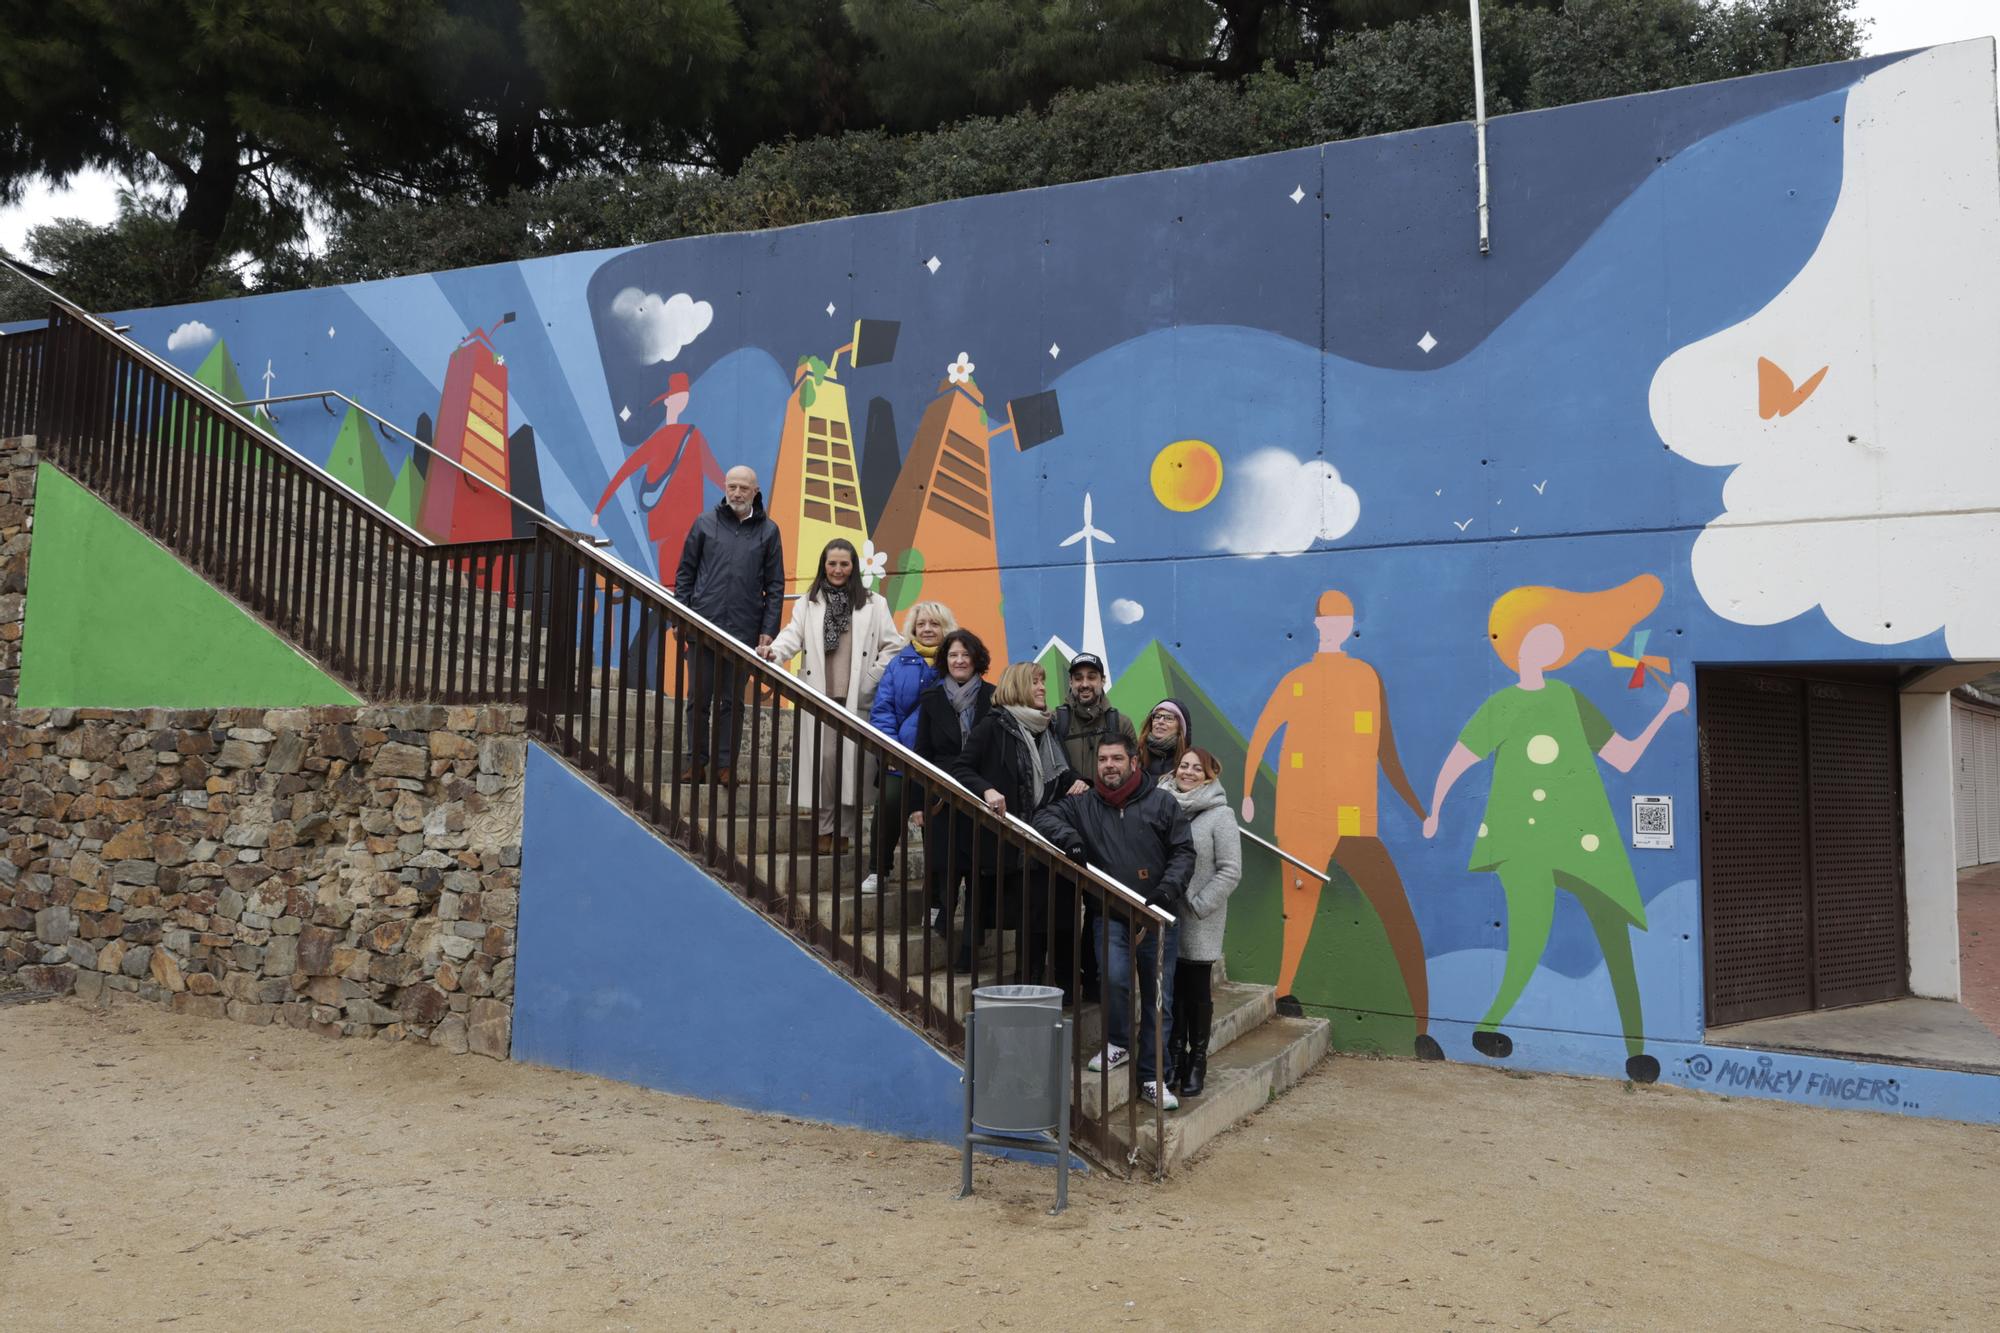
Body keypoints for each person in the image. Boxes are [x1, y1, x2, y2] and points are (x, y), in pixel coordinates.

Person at [1422, 574, 1688, 1085]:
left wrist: (1667, 711)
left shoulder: (1570, 698)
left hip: (1584, 835)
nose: (1552, 645)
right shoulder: (1501, 704)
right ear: (1518, 643)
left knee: (1616, 932)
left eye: (1554, 639)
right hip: (1521, 838)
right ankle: (1488, 1027)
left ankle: (1637, 1051)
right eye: (1541, 636)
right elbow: (1458, 759)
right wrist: (1435, 809)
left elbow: (1625, 756)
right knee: (1529, 932)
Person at [1242, 589, 1434, 1053]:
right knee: (1298, 909)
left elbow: (1386, 750)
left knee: (1395, 908)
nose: (1335, 624)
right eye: (1328, 617)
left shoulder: (1366, 677)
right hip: (1300, 812)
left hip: (1356, 816)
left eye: (1343, 617)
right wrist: (1247, 795)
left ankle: (1423, 1028)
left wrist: (1418, 809)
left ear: (1350, 624)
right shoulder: (1297, 679)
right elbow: (1263, 733)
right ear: (1316, 622)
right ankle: (1283, 990)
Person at [1034, 731, 1195, 1110]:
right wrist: (1071, 839)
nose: (1109, 766)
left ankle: (1153, 1076)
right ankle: (1119, 1042)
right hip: (1111, 913)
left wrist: (1167, 891)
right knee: (1114, 978)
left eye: (1117, 759)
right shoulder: (1084, 804)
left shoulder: (1162, 802)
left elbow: (1184, 852)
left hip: (1157, 914)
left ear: (1133, 763)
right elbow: (1044, 816)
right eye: (1103, 760)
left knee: (1159, 1000)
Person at [761, 539, 904, 852]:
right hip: (819, 697)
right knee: (825, 764)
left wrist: (871, 678)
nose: (838, 570)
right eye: (832, 564)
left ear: (854, 566)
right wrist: (773, 652)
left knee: (850, 767)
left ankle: (842, 833)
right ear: (823, 566)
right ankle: (828, 829)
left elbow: (893, 645)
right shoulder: (808, 602)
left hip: (856, 698)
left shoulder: (873, 603)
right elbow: (791, 636)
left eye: (844, 564)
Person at [949, 662, 1082, 975]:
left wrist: (1078, 780)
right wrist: (988, 790)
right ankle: (1025, 986)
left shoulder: (1046, 727)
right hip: (1011, 843)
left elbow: (1060, 771)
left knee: (1041, 920)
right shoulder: (995, 725)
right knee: (1027, 918)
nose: (1042, 689)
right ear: (1018, 686)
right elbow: (961, 768)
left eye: (1043, 683)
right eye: (1035, 682)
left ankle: (1037, 984)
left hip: (1044, 838)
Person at [671, 465, 785, 785]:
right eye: (731, 486)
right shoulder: (704, 523)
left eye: (743, 488)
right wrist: (681, 616)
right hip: (702, 626)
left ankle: (724, 766)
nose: (736, 493)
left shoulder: (769, 531)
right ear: (725, 488)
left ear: (755, 492)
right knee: (698, 699)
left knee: (732, 703)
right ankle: (696, 763)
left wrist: (768, 628)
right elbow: (685, 574)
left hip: (743, 631)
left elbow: (775, 585)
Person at [1163, 747, 1242, 1099]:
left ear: (1210, 776)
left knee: (1195, 991)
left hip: (1199, 916)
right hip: (1166, 913)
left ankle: (1197, 1062)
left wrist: (1198, 904)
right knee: (1173, 992)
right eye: (1184, 766)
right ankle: (1175, 1057)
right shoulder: (1161, 804)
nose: (1189, 772)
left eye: (1197, 768)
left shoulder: (1221, 815)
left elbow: (1230, 870)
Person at [864, 601, 957, 893]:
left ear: (945, 628)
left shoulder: (955, 661)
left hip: (938, 761)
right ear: (913, 629)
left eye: (934, 624)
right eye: (921, 624)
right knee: (889, 803)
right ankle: (879, 870)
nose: (927, 629)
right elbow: (883, 710)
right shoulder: (897, 663)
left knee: (939, 818)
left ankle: (936, 892)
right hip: (901, 759)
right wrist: (892, 752)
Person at [592, 371, 723, 579]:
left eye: (684, 396)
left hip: (684, 524)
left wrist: (749, 500)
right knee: (673, 582)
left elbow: (716, 474)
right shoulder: (668, 439)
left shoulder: (692, 435)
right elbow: (625, 471)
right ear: (669, 401)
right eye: (679, 396)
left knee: (681, 580)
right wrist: (599, 509)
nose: (683, 400)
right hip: (669, 526)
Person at [1050, 652, 1126, 999]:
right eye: (1078, 677)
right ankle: (1065, 982)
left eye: (1091, 677)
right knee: (1065, 906)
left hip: (1108, 825)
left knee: (1099, 907)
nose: (1084, 684)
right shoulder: (1056, 720)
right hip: (1066, 825)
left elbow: (1128, 772)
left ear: (1102, 681)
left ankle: (1094, 980)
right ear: (1070, 682)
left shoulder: (1119, 723)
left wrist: (1093, 785)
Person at [914, 629, 995, 943]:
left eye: (965, 654)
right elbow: (922, 753)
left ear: (976, 659)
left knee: (977, 867)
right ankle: (943, 919)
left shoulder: (992, 696)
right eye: (953, 655)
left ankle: (972, 940)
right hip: (941, 796)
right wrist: (919, 803)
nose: (959, 660)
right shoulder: (932, 699)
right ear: (944, 660)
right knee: (944, 864)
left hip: (979, 792)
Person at [1140, 699, 1192, 781]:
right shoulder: (1136, 753)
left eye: (1169, 718)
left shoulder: (1189, 759)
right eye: (1157, 717)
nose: (1160, 722)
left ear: (1180, 727)